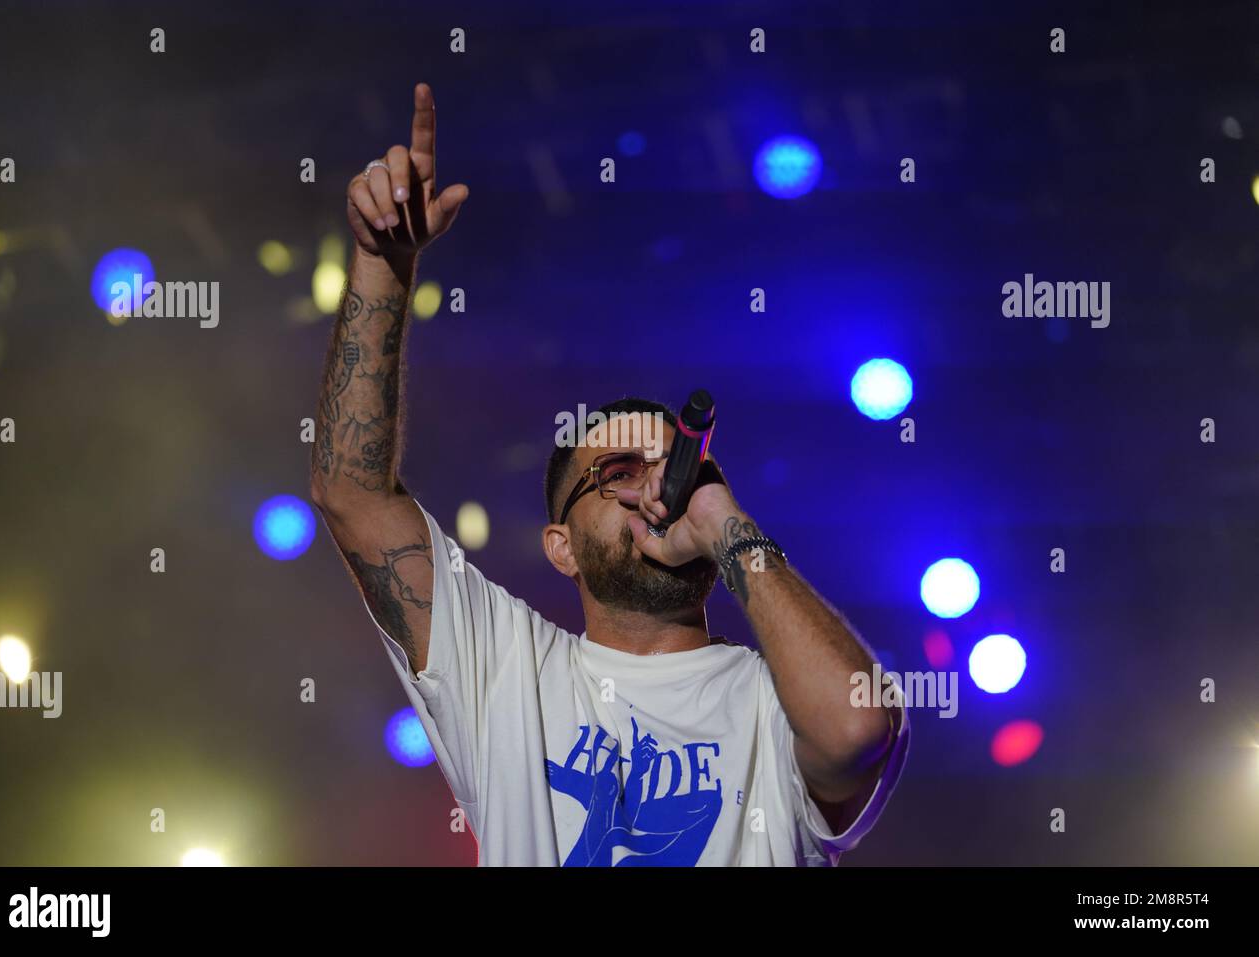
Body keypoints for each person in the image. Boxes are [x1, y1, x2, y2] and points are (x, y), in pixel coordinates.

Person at [310, 82, 909, 866]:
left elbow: (858, 729)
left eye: (677, 468)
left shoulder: (769, 701)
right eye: (619, 470)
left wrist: (725, 523)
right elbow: (351, 493)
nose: (656, 486)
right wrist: (383, 265)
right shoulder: (509, 672)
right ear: (560, 545)